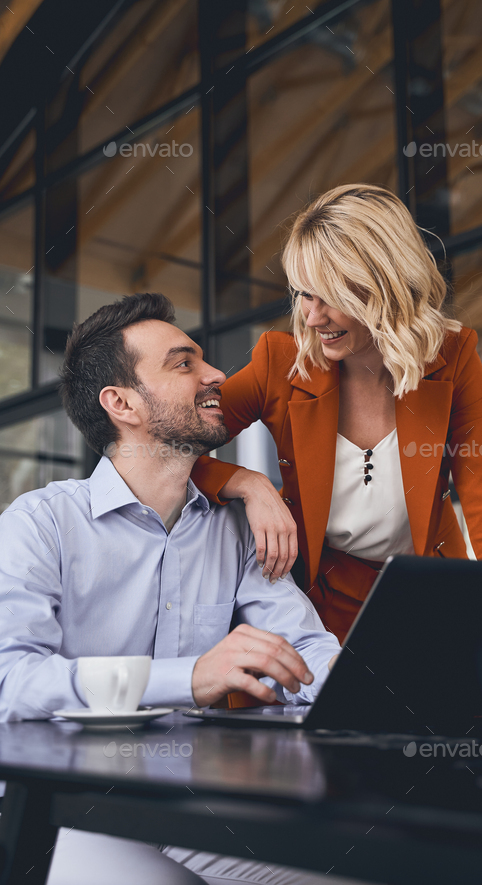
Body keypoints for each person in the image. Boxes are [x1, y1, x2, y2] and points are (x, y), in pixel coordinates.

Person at [192, 182, 482, 705]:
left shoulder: (453, 359)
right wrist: (244, 482)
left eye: (329, 295)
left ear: (382, 285)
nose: (311, 317)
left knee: (437, 768)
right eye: (303, 294)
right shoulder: (278, 363)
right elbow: (171, 447)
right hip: (316, 606)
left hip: (430, 605)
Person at [0, 293, 345, 885]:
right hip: (61, 803)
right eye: (184, 364)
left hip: (194, 798)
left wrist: (380, 689)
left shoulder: (235, 531)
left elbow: (307, 649)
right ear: (122, 403)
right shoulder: (40, 523)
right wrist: (188, 679)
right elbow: (11, 681)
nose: (216, 376)